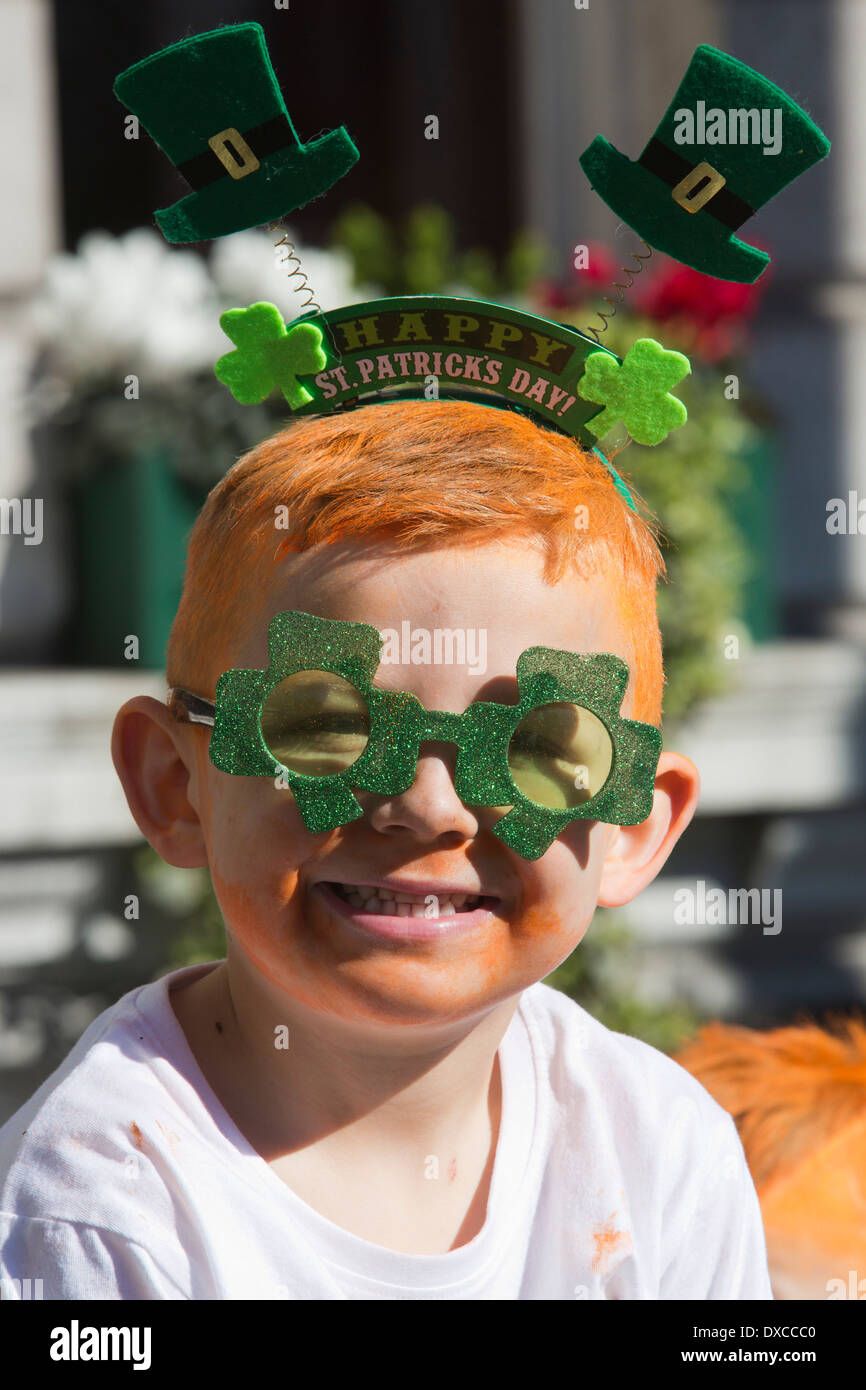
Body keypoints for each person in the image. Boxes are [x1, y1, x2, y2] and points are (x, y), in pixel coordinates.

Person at [0, 400, 773, 1299]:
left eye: (535, 747)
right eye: (329, 725)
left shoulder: (663, 1153)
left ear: (636, 823)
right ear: (175, 787)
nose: (427, 807)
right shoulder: (94, 1215)